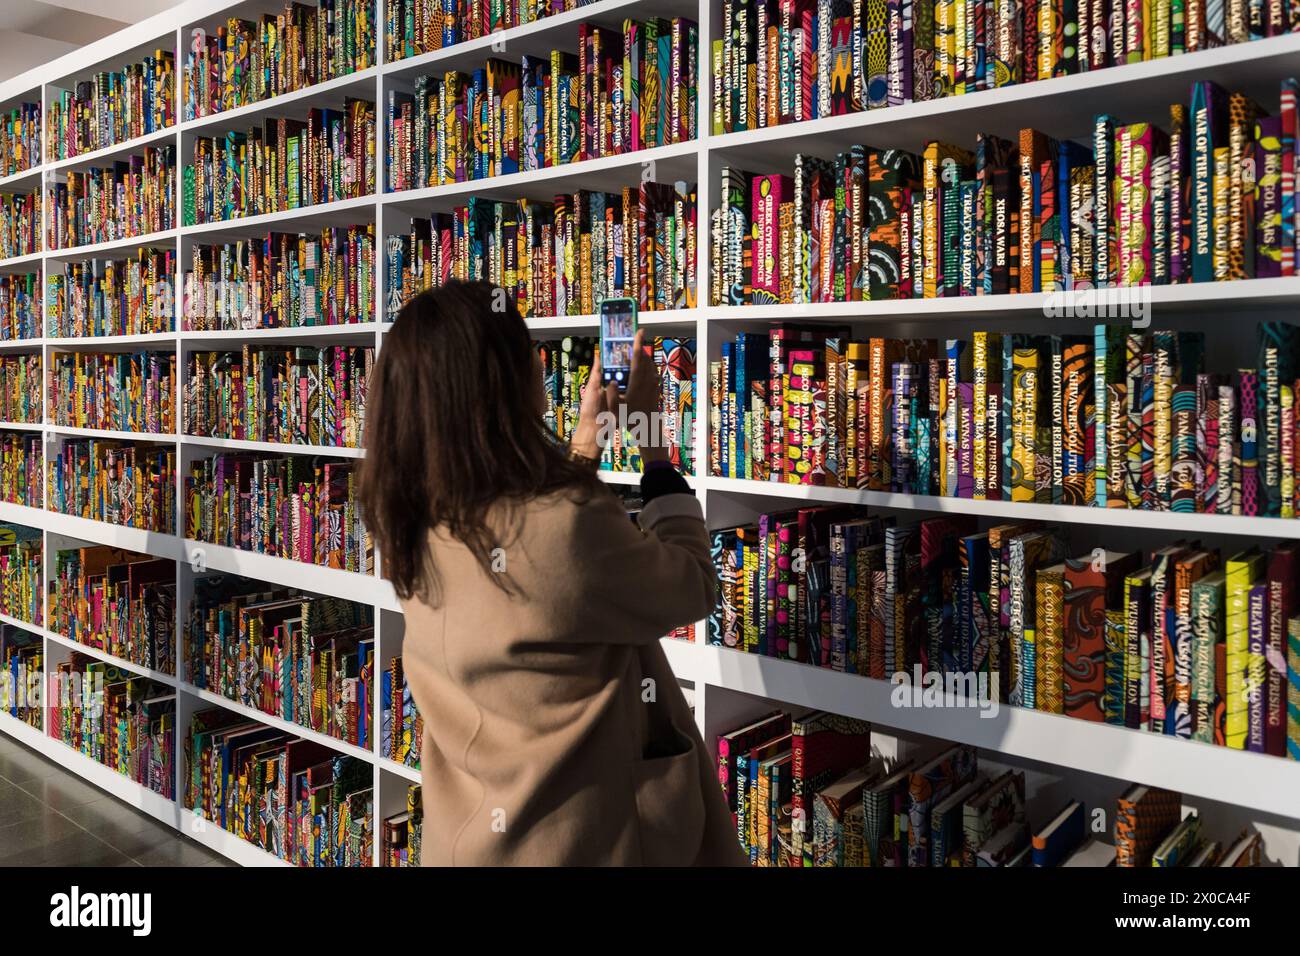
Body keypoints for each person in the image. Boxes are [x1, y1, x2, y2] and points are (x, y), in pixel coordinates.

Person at [359, 281, 745, 866]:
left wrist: (588, 439)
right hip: (586, 844)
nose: (539, 364)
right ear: (504, 385)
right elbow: (692, 583)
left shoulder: (411, 524)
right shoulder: (564, 528)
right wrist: (652, 445)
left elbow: (550, 569)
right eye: (525, 352)